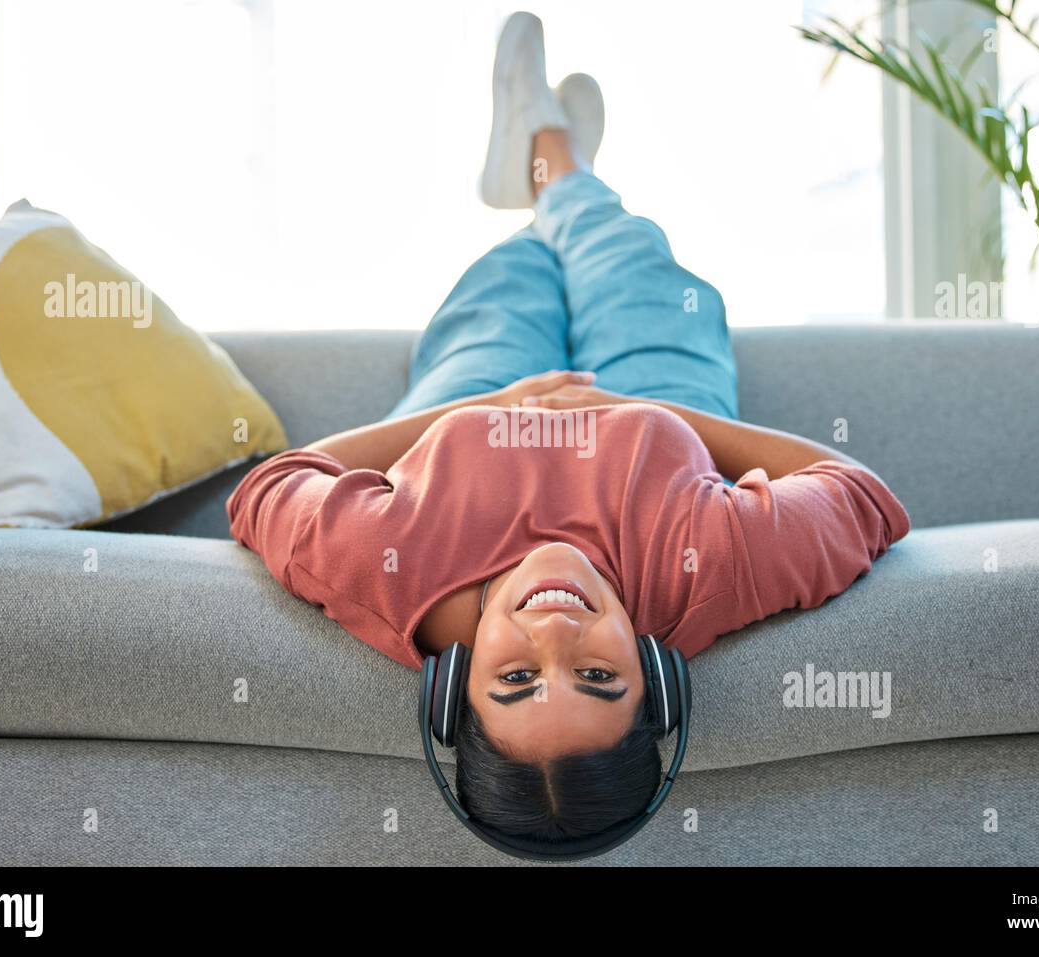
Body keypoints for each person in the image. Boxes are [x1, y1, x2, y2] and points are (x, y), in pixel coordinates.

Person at [228, 11, 910, 847]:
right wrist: (640, 413)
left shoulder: (383, 565)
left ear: (455, 684)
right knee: (635, 260)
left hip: (469, 411)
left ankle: (544, 171)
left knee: (505, 283)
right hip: (652, 404)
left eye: (516, 676)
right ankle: (557, 166)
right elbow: (866, 498)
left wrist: (480, 409)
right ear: (656, 673)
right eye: (596, 673)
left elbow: (265, 486)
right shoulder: (711, 569)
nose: (554, 629)